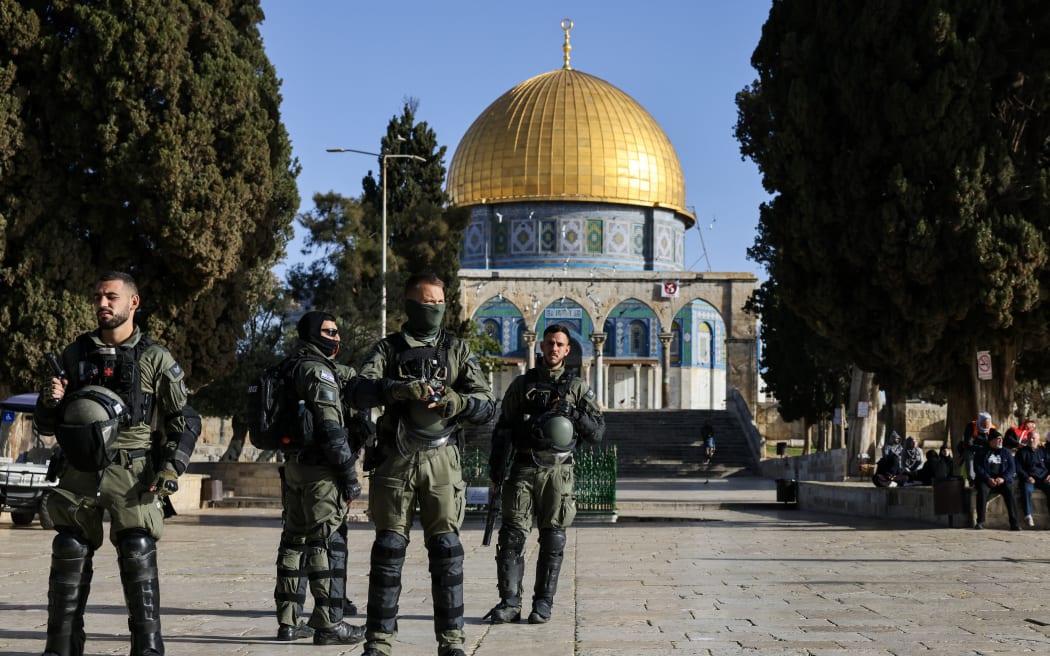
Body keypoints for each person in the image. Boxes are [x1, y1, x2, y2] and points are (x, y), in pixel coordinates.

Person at [33, 271, 202, 656]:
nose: (102, 304)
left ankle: (148, 647)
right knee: (68, 548)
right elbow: (47, 425)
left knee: (137, 550)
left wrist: (171, 469)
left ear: (133, 302)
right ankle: (60, 646)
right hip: (79, 469)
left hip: (134, 471)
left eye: (111, 296)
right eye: (97, 297)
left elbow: (185, 419)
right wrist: (50, 400)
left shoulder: (155, 358)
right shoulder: (74, 355)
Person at [352, 272, 496, 656]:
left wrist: (457, 401)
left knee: (447, 550)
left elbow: (487, 404)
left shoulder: (457, 350)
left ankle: (451, 642)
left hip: (442, 459)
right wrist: (396, 388)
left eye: (439, 302)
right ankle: (379, 642)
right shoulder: (388, 349)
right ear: (410, 305)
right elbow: (358, 390)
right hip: (396, 460)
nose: (435, 309)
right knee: (388, 550)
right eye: (427, 302)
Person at [485, 323, 605, 625]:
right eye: (549, 343)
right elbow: (503, 429)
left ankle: (543, 603)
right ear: (541, 346)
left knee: (553, 538)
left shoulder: (577, 388)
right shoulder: (523, 385)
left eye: (559, 344)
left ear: (568, 349)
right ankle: (510, 602)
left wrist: (573, 413)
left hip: (558, 472)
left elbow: (598, 432)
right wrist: (496, 472)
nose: (554, 348)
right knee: (512, 536)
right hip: (523, 468)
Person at [272, 311, 368, 645]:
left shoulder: (289, 366)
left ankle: (287, 622)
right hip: (320, 472)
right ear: (314, 333)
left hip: (294, 467)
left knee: (293, 541)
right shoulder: (317, 371)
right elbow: (331, 427)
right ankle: (329, 623)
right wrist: (348, 475)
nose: (337, 338)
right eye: (330, 331)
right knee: (322, 542)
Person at [973, 432, 1021, 530]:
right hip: (986, 480)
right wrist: (988, 478)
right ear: (991, 440)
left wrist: (1003, 478)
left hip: (1002, 481)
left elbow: (1012, 468)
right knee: (982, 491)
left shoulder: (1006, 452)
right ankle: (980, 521)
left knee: (1010, 492)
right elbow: (978, 468)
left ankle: (1014, 523)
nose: (1000, 441)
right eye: (998, 439)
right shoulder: (981, 452)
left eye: (1001, 439)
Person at [1014, 430, 1050, 528]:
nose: (1031, 439)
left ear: (1039, 439)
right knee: (1026, 490)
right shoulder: (1021, 452)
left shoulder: (1044, 451)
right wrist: (1027, 477)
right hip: (1029, 479)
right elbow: (1018, 468)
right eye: (1029, 437)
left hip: (1043, 478)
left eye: (1034, 438)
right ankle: (1028, 515)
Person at [958, 412, 1000, 483]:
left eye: (988, 424)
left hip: (985, 449)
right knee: (969, 456)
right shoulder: (971, 426)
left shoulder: (992, 428)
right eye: (984, 424)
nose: (986, 426)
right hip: (972, 448)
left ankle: (993, 477)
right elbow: (968, 444)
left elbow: (998, 437)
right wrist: (981, 448)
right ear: (980, 422)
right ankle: (972, 480)